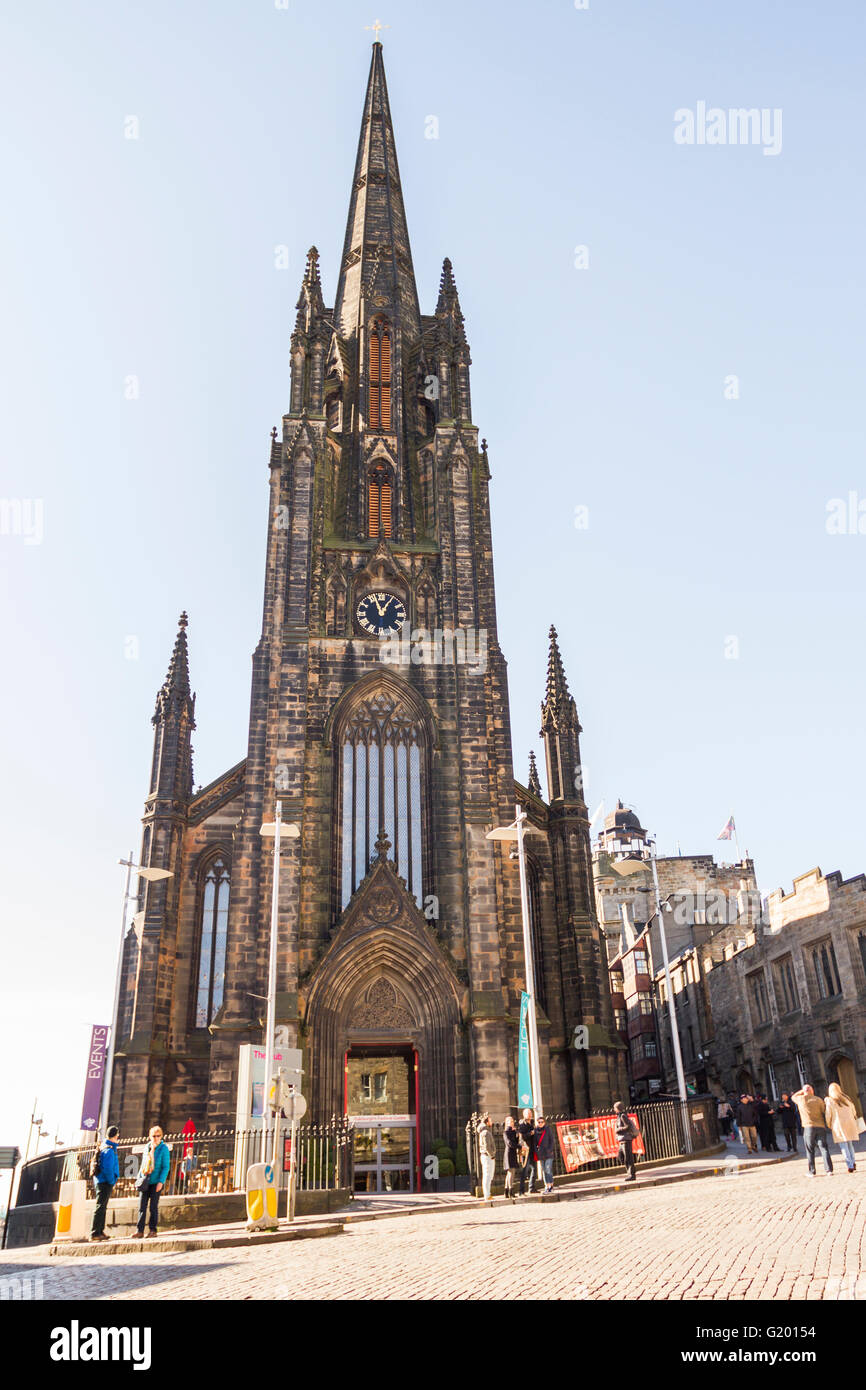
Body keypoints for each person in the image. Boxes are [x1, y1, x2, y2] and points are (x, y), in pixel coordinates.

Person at [135, 1125, 171, 1237]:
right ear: (150, 1136)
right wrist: (139, 1178)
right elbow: (143, 1164)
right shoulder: (147, 1147)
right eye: (153, 1136)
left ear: (161, 1136)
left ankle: (153, 1230)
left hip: (156, 1182)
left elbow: (166, 1167)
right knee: (142, 1206)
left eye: (158, 1136)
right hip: (145, 1180)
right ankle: (139, 1231)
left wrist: (161, 1182)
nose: (155, 1138)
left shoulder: (164, 1148)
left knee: (153, 1207)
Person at [792, 1085, 833, 1177]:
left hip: (808, 1126)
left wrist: (801, 1091)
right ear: (812, 1091)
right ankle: (829, 1170)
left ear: (804, 1091)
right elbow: (824, 1111)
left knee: (810, 1149)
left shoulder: (801, 1099)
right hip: (820, 1126)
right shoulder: (818, 1099)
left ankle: (812, 1171)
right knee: (824, 1148)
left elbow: (793, 1097)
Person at [89, 1125, 120, 1242]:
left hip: (101, 1181)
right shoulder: (109, 1150)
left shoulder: (104, 1147)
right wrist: (112, 1181)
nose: (118, 1137)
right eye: (117, 1135)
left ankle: (99, 1231)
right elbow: (108, 1169)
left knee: (102, 1207)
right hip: (105, 1182)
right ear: (115, 1135)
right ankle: (95, 1232)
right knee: (100, 1206)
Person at [825, 1082, 860, 1173]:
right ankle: (853, 1162)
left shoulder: (830, 1100)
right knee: (850, 1144)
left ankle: (850, 1165)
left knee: (844, 1145)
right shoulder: (846, 1098)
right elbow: (854, 1111)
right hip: (850, 1123)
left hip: (839, 1125)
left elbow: (828, 1115)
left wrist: (829, 1124)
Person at [614, 1101, 639, 1182]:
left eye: (615, 1108)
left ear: (617, 1108)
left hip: (626, 1139)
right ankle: (631, 1171)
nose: (614, 1109)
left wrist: (618, 1130)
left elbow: (627, 1126)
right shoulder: (619, 1116)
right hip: (622, 1140)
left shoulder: (623, 1116)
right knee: (620, 1156)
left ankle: (632, 1175)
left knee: (628, 1158)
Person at [517, 1108, 537, 1196]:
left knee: (534, 1169)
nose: (530, 1114)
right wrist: (531, 1133)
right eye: (528, 1113)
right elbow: (522, 1137)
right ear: (524, 1115)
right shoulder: (522, 1125)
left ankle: (531, 1188)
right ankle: (521, 1190)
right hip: (527, 1150)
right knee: (524, 1171)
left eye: (530, 1113)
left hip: (533, 1149)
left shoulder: (532, 1124)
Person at [477, 1114, 496, 1200]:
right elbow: (487, 1146)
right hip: (487, 1156)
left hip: (487, 1156)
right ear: (487, 1122)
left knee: (489, 1175)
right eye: (490, 1120)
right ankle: (487, 1195)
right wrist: (492, 1155)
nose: (492, 1121)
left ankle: (488, 1194)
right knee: (487, 1176)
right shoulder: (485, 1132)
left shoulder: (486, 1131)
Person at [535, 1114, 555, 1193]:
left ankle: (551, 1185)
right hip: (541, 1154)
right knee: (544, 1170)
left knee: (548, 1169)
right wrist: (537, 1151)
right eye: (539, 1122)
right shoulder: (536, 1131)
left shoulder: (548, 1129)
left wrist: (550, 1149)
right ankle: (546, 1186)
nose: (540, 1123)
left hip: (548, 1153)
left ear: (544, 1123)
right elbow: (534, 1143)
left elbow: (552, 1140)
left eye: (542, 1122)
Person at [503, 1116, 520, 1199]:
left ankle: (506, 1191)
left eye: (512, 1121)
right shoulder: (506, 1132)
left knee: (510, 1173)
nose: (511, 1122)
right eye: (510, 1121)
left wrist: (516, 1135)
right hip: (509, 1153)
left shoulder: (513, 1131)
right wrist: (519, 1147)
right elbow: (510, 1143)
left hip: (513, 1153)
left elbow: (515, 1141)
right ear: (507, 1122)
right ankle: (510, 1191)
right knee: (511, 1172)